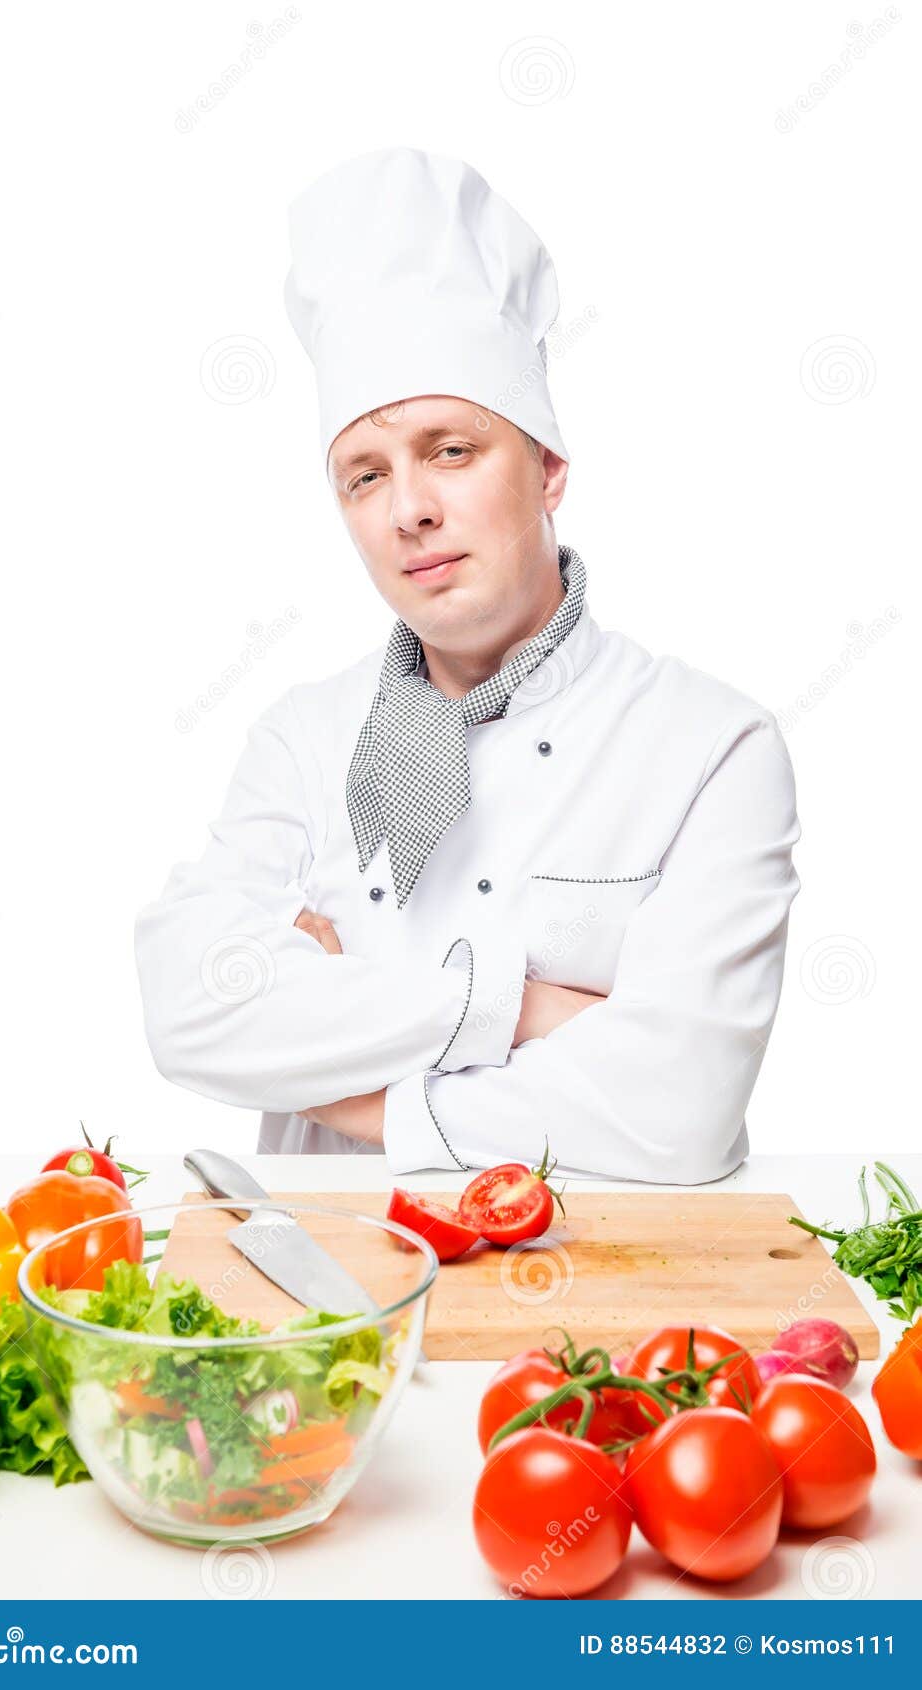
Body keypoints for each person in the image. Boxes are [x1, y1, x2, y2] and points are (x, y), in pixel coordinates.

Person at [134, 147, 801, 1183]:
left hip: (604, 1302)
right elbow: (189, 1007)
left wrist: (325, 1049)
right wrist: (528, 1007)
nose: (409, 509)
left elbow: (678, 1112)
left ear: (548, 467)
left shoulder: (713, 746)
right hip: (334, 1289)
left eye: (451, 449)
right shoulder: (302, 739)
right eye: (365, 474)